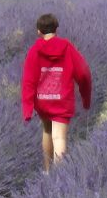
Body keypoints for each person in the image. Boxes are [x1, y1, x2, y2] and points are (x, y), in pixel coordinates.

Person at [21, 12, 92, 171]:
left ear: (38, 31)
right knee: (59, 136)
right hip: (62, 100)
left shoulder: (34, 51)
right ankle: (59, 176)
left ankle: (47, 171)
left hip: (43, 101)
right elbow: (83, 73)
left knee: (47, 130)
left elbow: (28, 81)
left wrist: (27, 109)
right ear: (56, 29)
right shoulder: (67, 47)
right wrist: (86, 98)